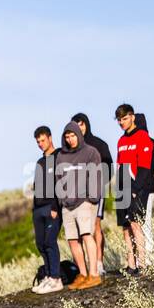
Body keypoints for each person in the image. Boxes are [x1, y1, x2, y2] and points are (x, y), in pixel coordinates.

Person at [55, 121, 104, 289]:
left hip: (84, 202)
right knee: (72, 240)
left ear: (79, 134)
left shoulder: (90, 152)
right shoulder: (61, 156)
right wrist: (62, 200)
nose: (70, 139)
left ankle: (94, 274)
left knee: (86, 235)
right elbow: (58, 179)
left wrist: (92, 198)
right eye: (67, 136)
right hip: (67, 206)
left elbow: (97, 176)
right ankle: (82, 274)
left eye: (73, 135)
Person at [114, 104, 153, 274]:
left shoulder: (143, 137)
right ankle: (131, 264)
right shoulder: (121, 141)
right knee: (125, 227)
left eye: (124, 118)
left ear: (132, 117)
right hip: (122, 187)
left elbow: (145, 167)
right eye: (119, 120)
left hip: (137, 188)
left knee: (136, 225)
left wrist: (135, 189)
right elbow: (120, 165)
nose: (121, 122)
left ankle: (142, 264)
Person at [71, 113, 112, 275]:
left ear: (86, 124)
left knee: (95, 225)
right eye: (76, 125)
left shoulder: (99, 144)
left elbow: (109, 168)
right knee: (79, 229)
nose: (79, 128)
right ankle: (82, 268)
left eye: (81, 124)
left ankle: (99, 263)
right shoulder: (71, 148)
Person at [30, 125, 64, 294]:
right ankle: (49, 277)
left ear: (50, 138)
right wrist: (34, 208)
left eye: (43, 140)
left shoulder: (59, 157)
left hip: (52, 208)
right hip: (38, 209)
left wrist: (55, 206)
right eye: (38, 142)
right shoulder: (39, 162)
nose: (41, 144)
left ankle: (56, 278)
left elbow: (61, 183)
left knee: (50, 242)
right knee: (41, 244)